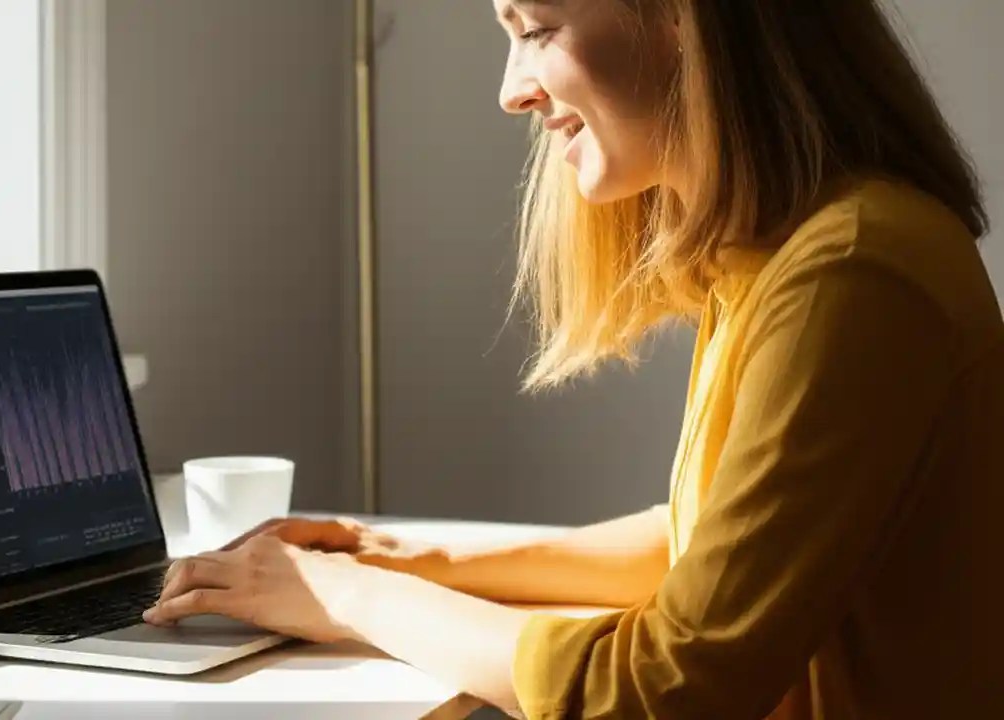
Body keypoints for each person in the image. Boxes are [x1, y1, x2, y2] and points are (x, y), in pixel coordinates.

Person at [143, 0, 1003, 717]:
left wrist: (344, 597)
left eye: (538, 28)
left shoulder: (852, 271)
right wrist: (405, 560)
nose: (511, 90)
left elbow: (661, 689)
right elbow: (713, 538)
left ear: (682, 18)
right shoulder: (796, 256)